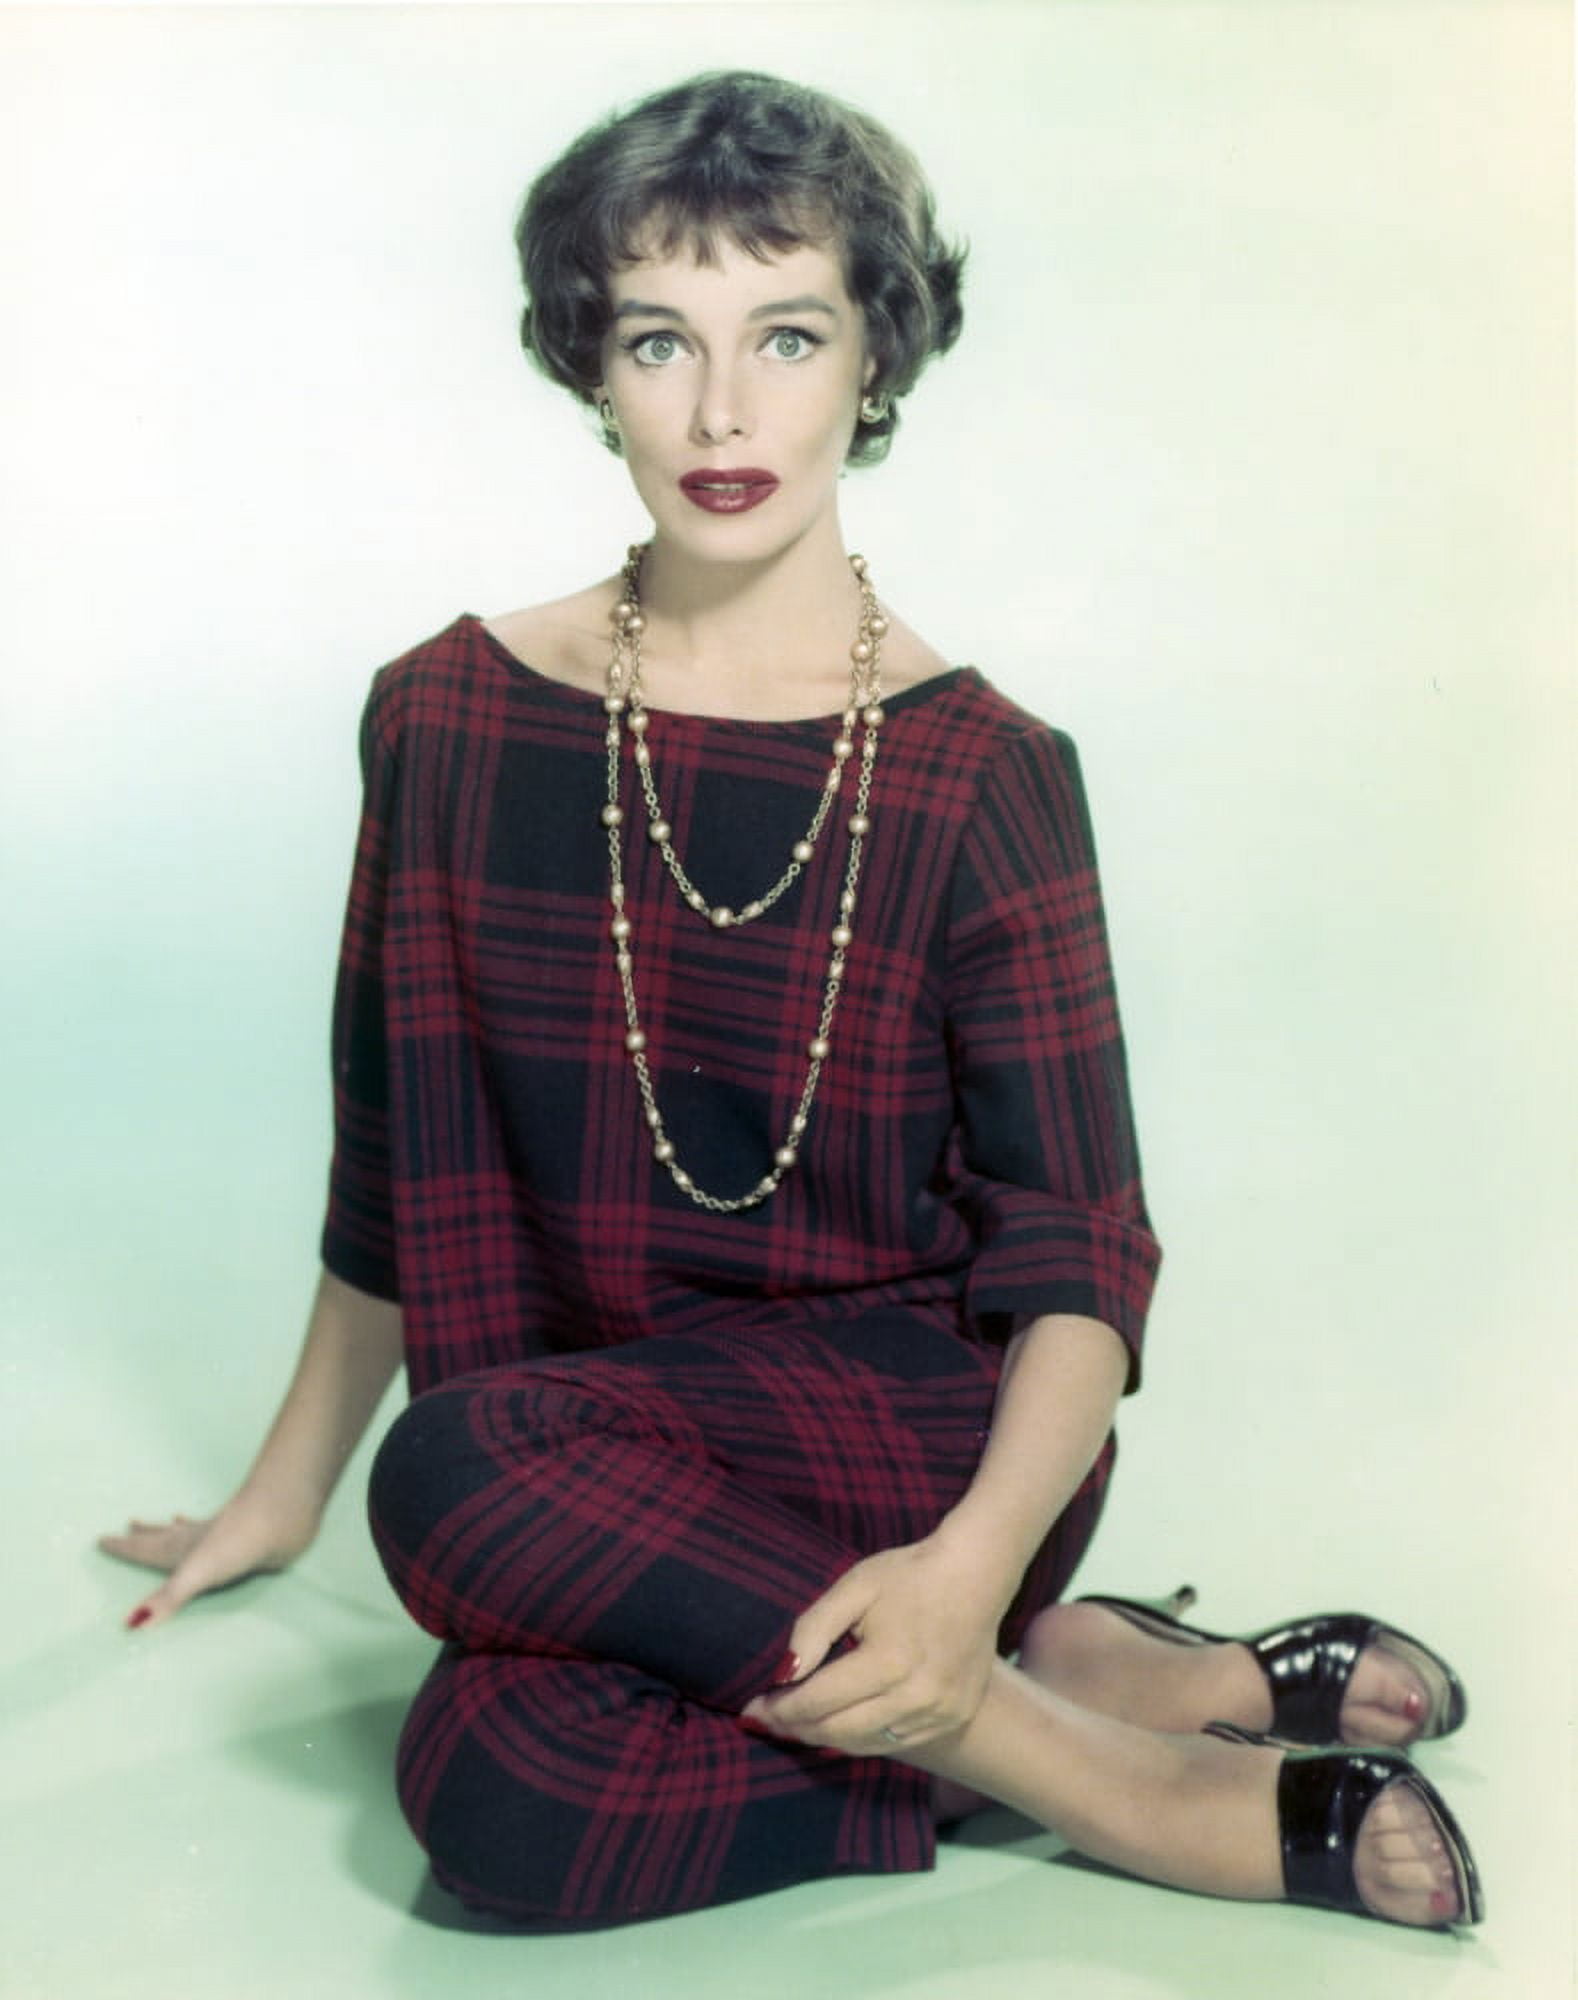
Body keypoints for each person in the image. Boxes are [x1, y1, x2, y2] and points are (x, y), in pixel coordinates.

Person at [99, 70, 1482, 1935]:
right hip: (587, 1477)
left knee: (452, 1468)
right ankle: (1045, 1698)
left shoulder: (979, 767)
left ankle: (1095, 1753)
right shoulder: (444, 714)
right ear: (592, 362)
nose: (725, 409)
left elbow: (1079, 1256)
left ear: (871, 365)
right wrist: (274, 1502)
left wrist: (964, 1563)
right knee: (502, 1803)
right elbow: (389, 1168)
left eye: (790, 334)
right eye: (663, 337)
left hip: (913, 1447)